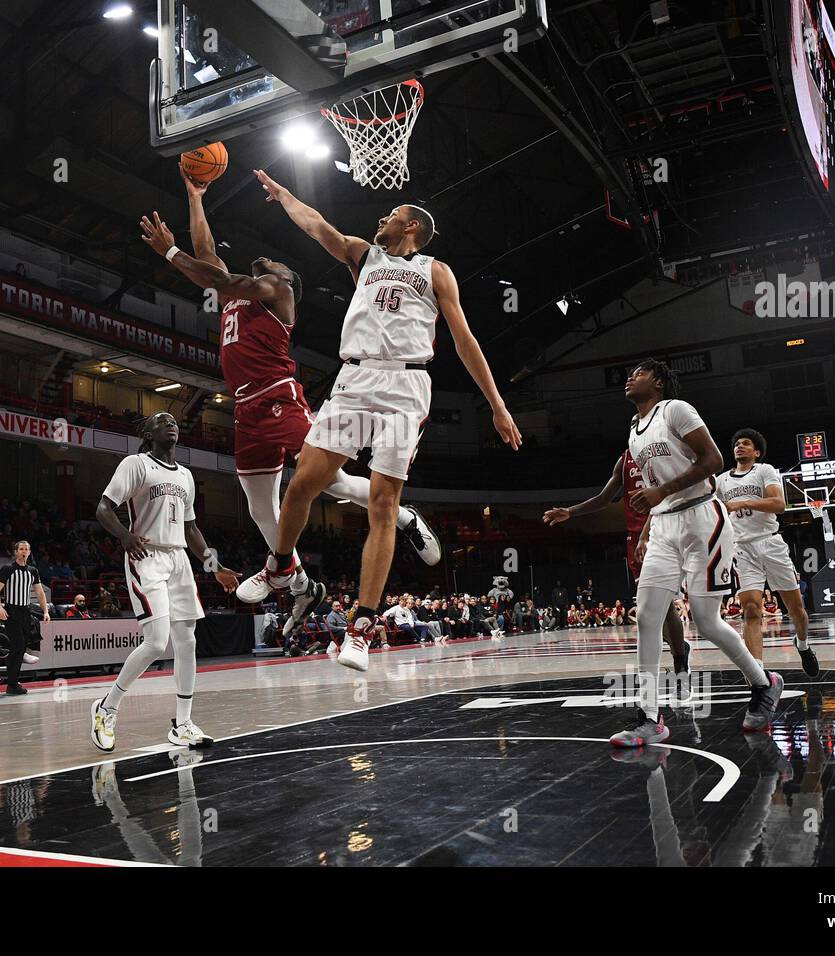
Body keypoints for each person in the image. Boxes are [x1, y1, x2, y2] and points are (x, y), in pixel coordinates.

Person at [225, 174, 522, 671]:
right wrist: (284, 198)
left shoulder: (435, 271)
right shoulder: (366, 255)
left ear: (409, 226)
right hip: (354, 379)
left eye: (391, 215)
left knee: (384, 503)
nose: (380, 219)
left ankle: (362, 627)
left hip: (407, 386)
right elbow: (318, 226)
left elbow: (464, 339)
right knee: (302, 487)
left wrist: (496, 403)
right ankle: (279, 567)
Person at [139, 168, 442, 642]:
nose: (267, 261)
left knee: (328, 481)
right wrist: (194, 197)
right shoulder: (233, 295)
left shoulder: (273, 292)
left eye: (275, 263)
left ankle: (402, 515)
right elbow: (209, 259)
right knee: (261, 507)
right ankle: (297, 580)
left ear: (286, 282)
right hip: (245, 409)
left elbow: (223, 274)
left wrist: (168, 252)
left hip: (281, 397)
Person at [615, 359, 782, 747]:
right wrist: (650, 524)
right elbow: (655, 490)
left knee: (707, 621)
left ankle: (764, 683)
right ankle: (649, 718)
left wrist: (662, 492)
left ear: (657, 381)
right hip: (664, 526)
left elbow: (713, 461)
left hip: (703, 518)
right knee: (646, 616)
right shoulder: (633, 434)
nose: (630, 377)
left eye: (639, 372)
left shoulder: (675, 409)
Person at [90, 412, 239, 753]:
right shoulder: (136, 464)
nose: (171, 424)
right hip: (147, 556)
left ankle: (182, 724)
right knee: (157, 643)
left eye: (174, 421)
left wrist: (214, 566)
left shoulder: (186, 475)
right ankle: (106, 708)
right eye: (162, 421)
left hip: (179, 558)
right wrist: (125, 536)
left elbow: (191, 528)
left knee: (186, 641)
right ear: (148, 432)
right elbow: (103, 508)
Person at [544, 447, 692, 695]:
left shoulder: (662, 454)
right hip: (635, 539)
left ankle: (679, 663)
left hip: (663, 532)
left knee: (662, 608)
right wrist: (571, 512)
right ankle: (677, 654)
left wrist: (648, 533)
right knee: (651, 611)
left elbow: (670, 498)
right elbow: (604, 498)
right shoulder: (624, 460)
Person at [715, 428, 818, 675]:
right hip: (742, 548)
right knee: (750, 609)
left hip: (770, 543)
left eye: (746, 443)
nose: (739, 446)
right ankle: (758, 673)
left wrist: (744, 502)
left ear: (756, 452)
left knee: (797, 610)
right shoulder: (721, 481)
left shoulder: (764, 470)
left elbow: (778, 504)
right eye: (737, 443)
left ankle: (803, 645)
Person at [0, 541, 48, 696]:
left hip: (25, 611)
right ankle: (11, 684)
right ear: (16, 552)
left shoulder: (32, 571)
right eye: (21, 549)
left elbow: (39, 592)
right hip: (11, 611)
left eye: (26, 549)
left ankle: (13, 681)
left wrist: (46, 610)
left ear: (29, 552)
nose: (24, 552)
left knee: (20, 648)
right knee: (18, 646)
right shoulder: (8, 569)